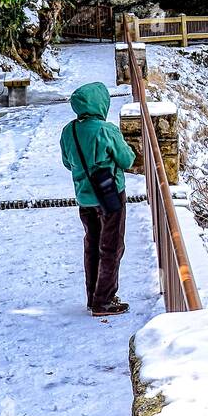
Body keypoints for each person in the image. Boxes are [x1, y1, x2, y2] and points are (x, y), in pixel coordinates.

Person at [60, 82, 136, 317]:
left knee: (92, 245)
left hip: (84, 197)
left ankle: (93, 296)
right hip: (109, 195)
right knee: (111, 247)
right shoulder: (106, 130)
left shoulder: (69, 131)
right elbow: (127, 160)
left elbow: (67, 162)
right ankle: (104, 301)